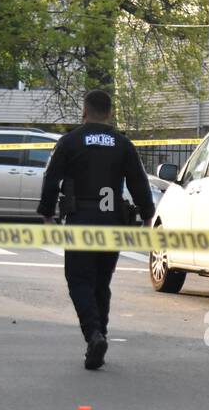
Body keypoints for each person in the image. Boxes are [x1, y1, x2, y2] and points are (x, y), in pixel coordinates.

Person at [38, 89, 155, 370]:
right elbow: (139, 182)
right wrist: (148, 215)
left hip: (80, 220)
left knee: (79, 282)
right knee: (101, 284)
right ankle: (99, 336)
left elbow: (52, 180)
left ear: (84, 111)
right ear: (110, 113)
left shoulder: (70, 142)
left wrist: (47, 215)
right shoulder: (123, 144)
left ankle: (93, 334)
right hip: (112, 222)